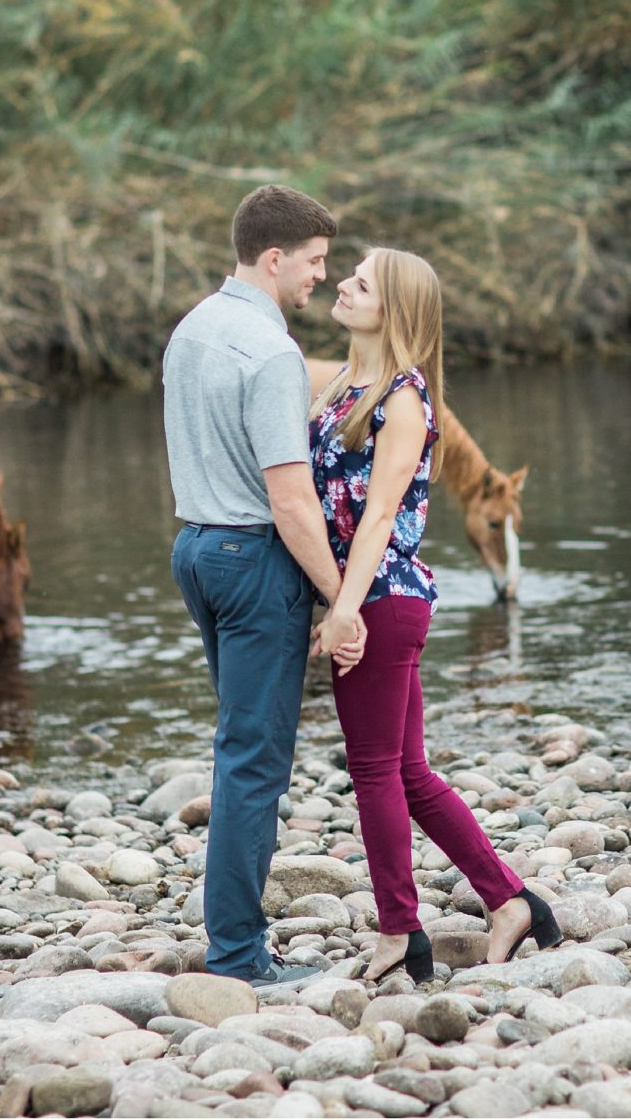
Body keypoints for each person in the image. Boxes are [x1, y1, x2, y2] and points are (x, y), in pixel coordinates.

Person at [305, 247, 563, 982]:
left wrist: (343, 613)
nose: (345, 285)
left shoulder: (404, 398)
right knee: (409, 772)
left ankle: (398, 932)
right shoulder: (343, 389)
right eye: (347, 273)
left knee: (374, 771)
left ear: (396, 311)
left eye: (361, 282)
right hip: (378, 600)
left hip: (381, 601)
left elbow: (381, 515)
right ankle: (510, 900)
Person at [161, 184, 366, 988]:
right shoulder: (274, 353)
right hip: (253, 562)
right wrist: (342, 596)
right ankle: (240, 957)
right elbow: (290, 498)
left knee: (239, 751)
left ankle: (234, 939)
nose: (322, 276)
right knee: (254, 765)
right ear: (274, 258)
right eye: (314, 263)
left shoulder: (193, 329)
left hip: (195, 550)